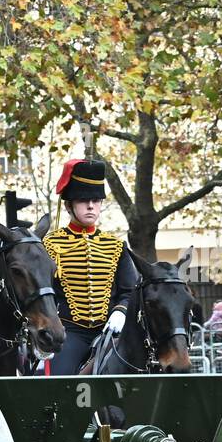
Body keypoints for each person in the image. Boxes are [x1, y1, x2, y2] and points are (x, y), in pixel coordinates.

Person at [41, 159, 137, 374]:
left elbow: (129, 290)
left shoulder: (115, 245)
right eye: (84, 200)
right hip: (69, 333)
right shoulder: (49, 244)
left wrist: (121, 311)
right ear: (68, 205)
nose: (91, 206)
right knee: (60, 382)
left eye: (96, 200)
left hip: (111, 331)